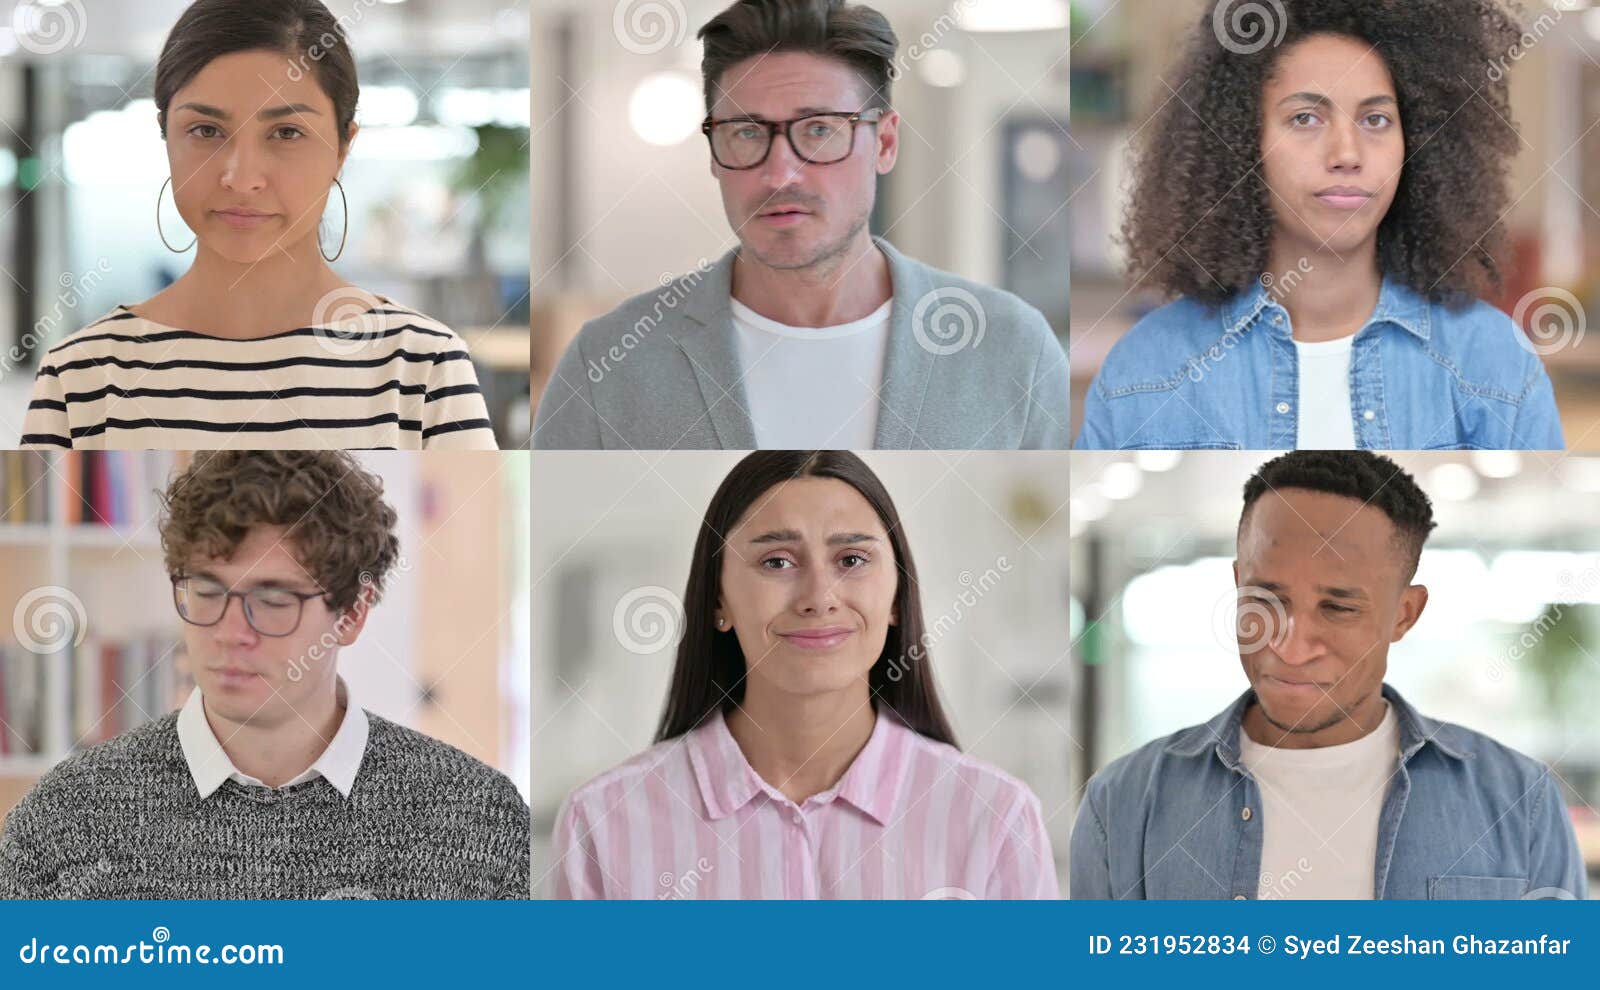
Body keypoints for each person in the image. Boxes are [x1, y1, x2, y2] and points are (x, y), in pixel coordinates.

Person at [534, 0, 1069, 451]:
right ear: (714, 153)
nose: (779, 172)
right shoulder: (608, 363)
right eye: (745, 132)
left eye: (818, 129)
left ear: (884, 142)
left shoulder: (1011, 349)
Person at [0, 451, 529, 899]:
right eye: (207, 591)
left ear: (352, 614)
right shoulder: (69, 818)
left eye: (272, 600)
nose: (232, 632)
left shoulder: (477, 818)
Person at [1071, 450, 1587, 900]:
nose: (1289, 647)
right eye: (1264, 599)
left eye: (1338, 608)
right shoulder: (1124, 801)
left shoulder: (1521, 802)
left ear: (1404, 614)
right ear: (1236, 583)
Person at [550, 450, 1056, 898]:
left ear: (897, 597)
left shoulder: (996, 819)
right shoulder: (603, 823)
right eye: (776, 562)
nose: (818, 597)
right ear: (718, 601)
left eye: (852, 559)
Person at [1076, 0, 1562, 450]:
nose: (1347, 154)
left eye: (1375, 120)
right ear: (1240, 142)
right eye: (1306, 118)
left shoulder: (1494, 362)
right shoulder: (1146, 372)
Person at [21, 0, 495, 450]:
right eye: (206, 131)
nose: (242, 178)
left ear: (342, 147)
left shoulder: (424, 368)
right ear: (166, 136)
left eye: (286, 133)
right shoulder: (81, 375)